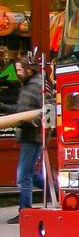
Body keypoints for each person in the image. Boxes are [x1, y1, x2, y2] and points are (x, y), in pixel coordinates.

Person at [0, 54, 43, 222]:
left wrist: (31, 121)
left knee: (22, 176)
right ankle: (60, 190)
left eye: (19, 70)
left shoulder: (38, 85)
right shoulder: (26, 86)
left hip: (33, 137)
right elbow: (21, 109)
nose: (17, 73)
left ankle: (25, 211)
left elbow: (49, 108)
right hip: (26, 136)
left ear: (29, 69)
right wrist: (3, 106)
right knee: (31, 175)